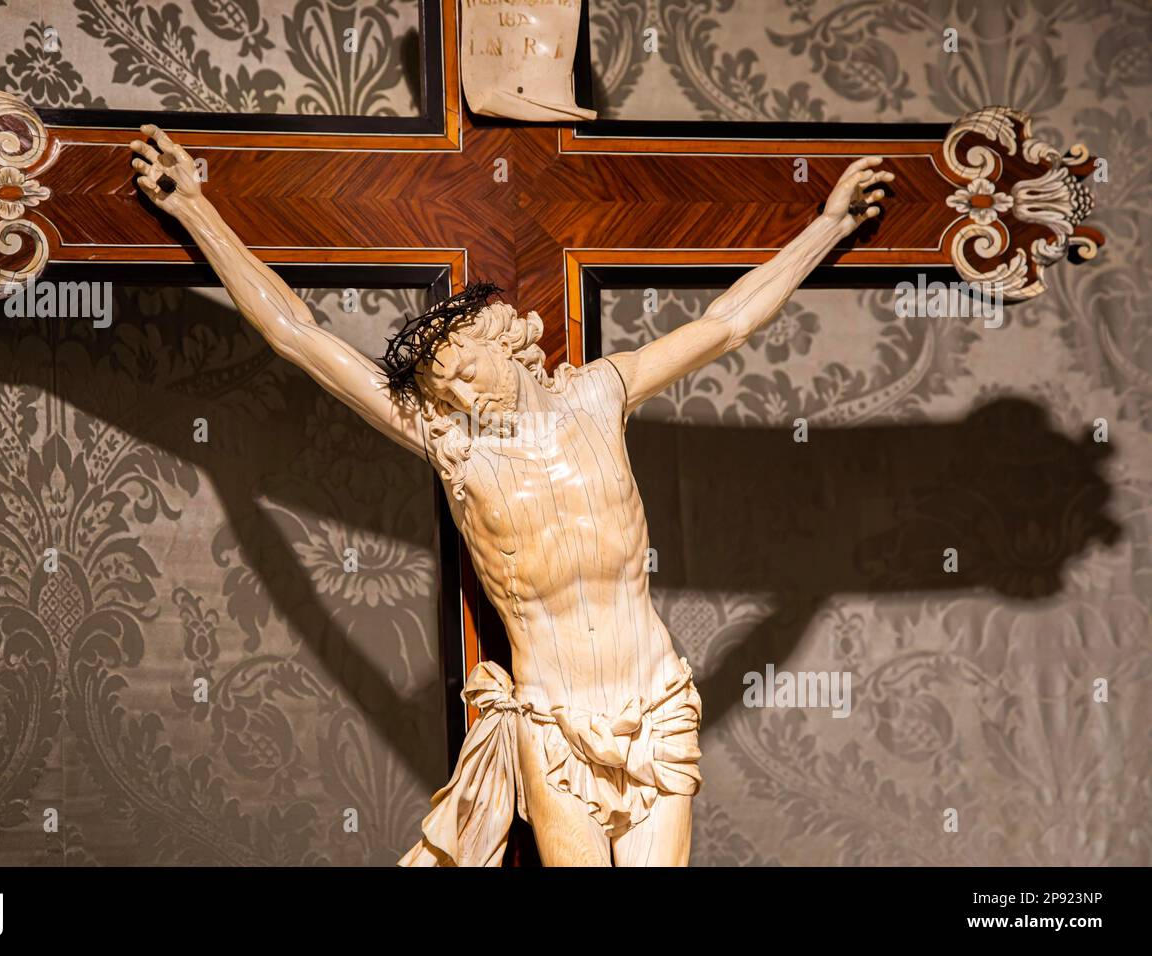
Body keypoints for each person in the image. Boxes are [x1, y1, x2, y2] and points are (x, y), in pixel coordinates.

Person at [129, 126, 893, 866]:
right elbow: (297, 334)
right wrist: (197, 207)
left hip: (654, 704)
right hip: (551, 720)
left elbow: (727, 323)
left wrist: (826, 230)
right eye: (443, 388)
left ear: (505, 343)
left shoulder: (601, 394)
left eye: (466, 369)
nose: (461, 393)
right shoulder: (452, 446)